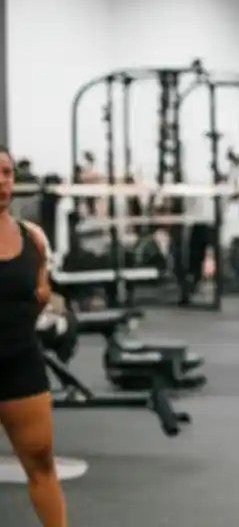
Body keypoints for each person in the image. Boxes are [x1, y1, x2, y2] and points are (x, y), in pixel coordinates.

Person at [0, 146, 67, 527]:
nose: (1, 181)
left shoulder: (33, 238)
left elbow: (41, 293)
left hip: (21, 367)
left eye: (7, 172)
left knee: (41, 463)